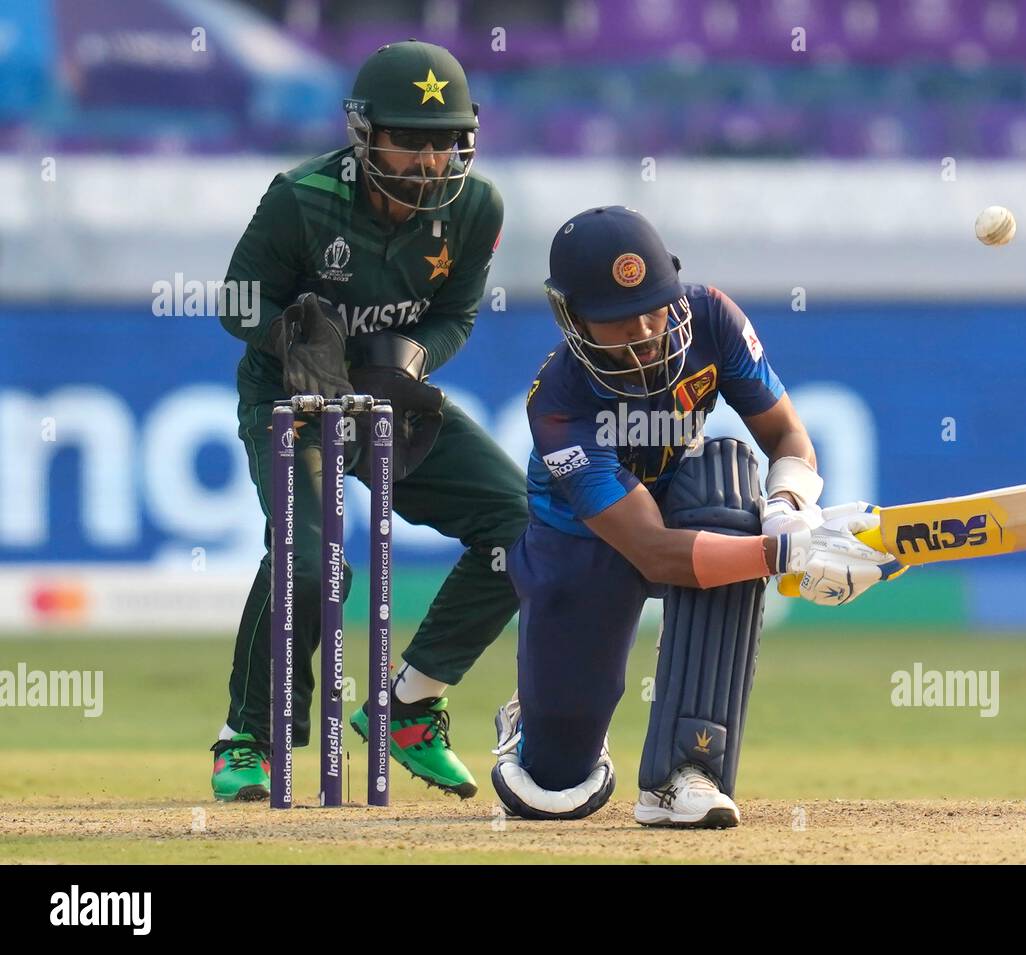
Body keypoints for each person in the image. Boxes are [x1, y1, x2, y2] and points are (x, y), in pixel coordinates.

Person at [491, 206, 903, 828]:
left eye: (654, 306)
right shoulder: (558, 401)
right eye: (616, 319)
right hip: (584, 541)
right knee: (554, 787)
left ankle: (687, 770)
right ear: (571, 316)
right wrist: (785, 554)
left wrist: (790, 509)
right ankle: (538, 719)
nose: (646, 331)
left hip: (678, 497)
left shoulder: (711, 317)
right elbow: (652, 551)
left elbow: (789, 435)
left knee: (731, 485)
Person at [212, 41, 526, 802]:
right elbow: (235, 303)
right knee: (314, 565)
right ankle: (247, 736)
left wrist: (412, 359)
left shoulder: (477, 206)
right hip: (292, 401)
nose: (428, 161)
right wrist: (295, 334)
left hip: (388, 401)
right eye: (411, 140)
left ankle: (408, 707)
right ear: (366, 134)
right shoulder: (301, 197)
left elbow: (456, 313)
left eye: (444, 141)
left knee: (521, 525)